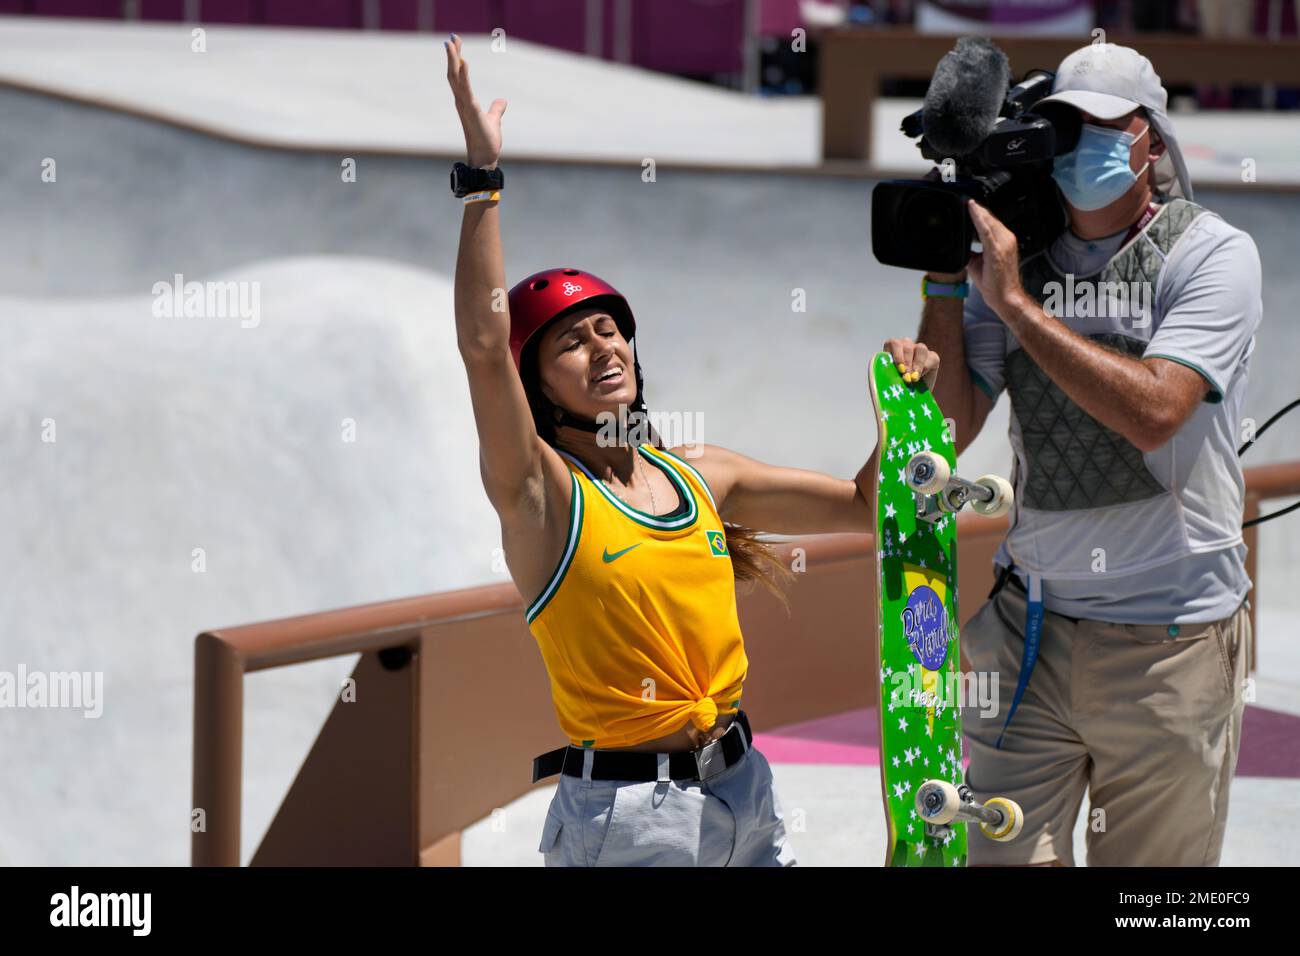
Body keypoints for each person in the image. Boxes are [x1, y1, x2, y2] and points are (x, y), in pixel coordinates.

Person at [444, 34, 939, 866]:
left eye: (611, 331)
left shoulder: (701, 473)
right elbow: (484, 348)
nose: (603, 348)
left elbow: (864, 509)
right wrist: (482, 184)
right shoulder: (542, 493)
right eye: (571, 343)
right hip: (631, 815)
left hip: (742, 787)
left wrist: (902, 408)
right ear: (538, 386)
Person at [913, 42, 1261, 866]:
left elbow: (1156, 411)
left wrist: (1018, 307)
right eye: (1063, 126)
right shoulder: (1016, 261)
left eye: (1105, 127)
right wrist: (942, 286)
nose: (1081, 145)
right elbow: (947, 429)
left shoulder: (1211, 253)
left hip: (1168, 645)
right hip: (1028, 631)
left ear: (1150, 140)